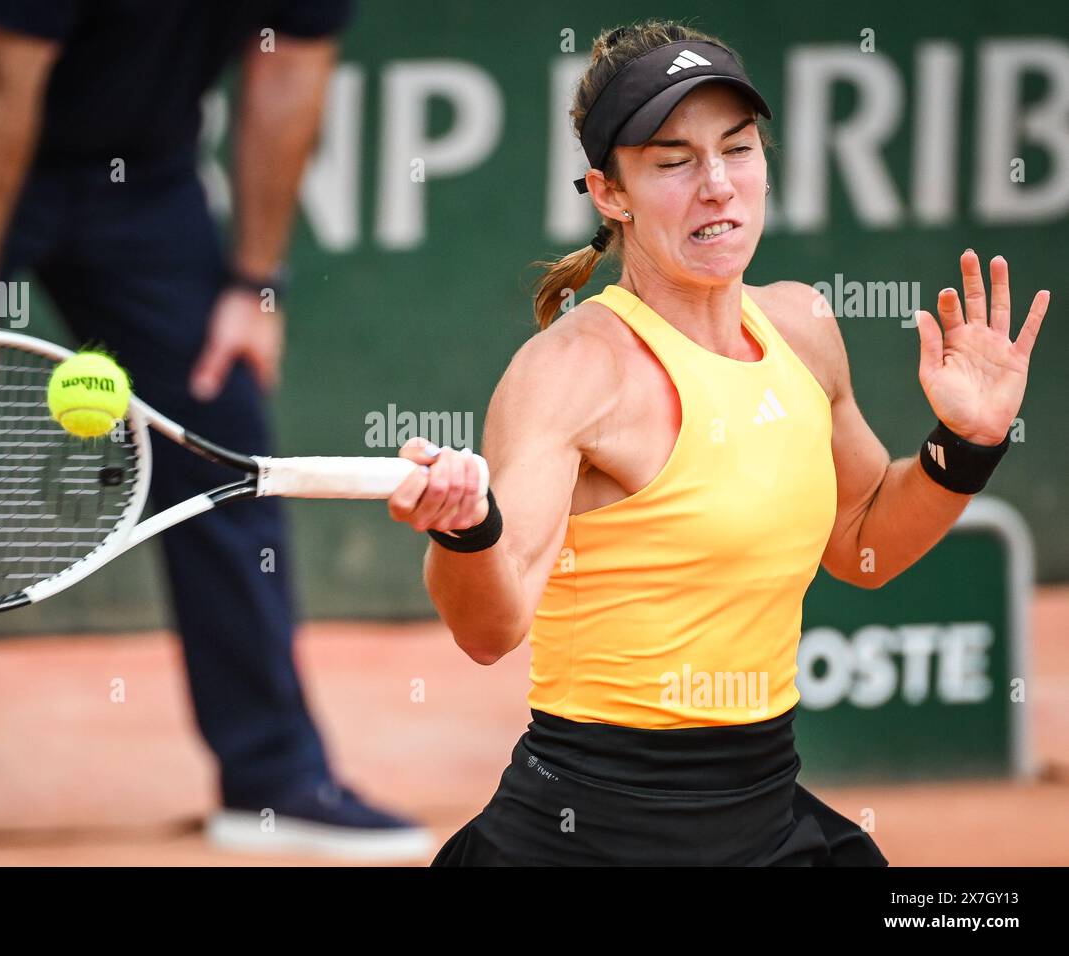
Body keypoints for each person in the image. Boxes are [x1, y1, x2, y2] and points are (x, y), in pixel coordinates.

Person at [0, 0, 432, 865]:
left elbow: (291, 69)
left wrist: (254, 282)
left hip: (139, 166)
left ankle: (274, 777)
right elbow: (6, 72)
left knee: (218, 427)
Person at [385, 19, 1049, 866]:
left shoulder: (803, 326)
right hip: (587, 833)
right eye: (673, 162)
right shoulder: (572, 372)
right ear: (608, 192)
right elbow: (491, 627)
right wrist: (463, 530)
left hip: (764, 821)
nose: (718, 187)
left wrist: (965, 443)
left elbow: (862, 542)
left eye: (737, 150)